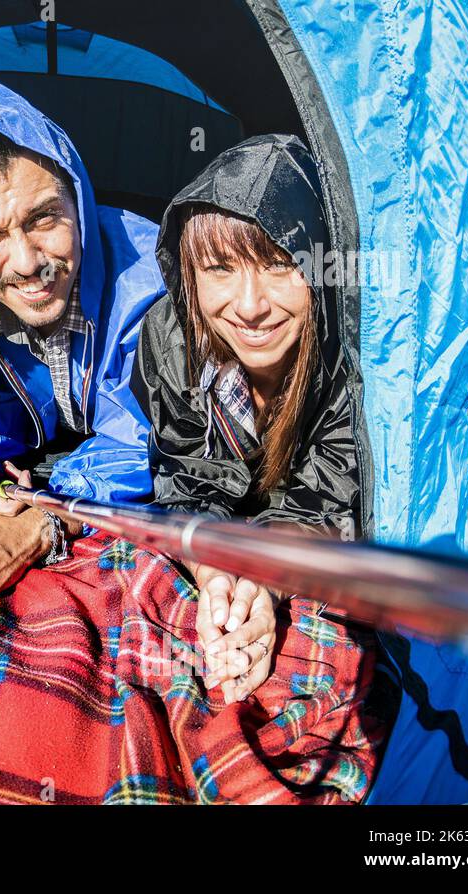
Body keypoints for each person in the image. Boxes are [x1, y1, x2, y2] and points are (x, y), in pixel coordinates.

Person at [0, 76, 164, 607]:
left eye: (44, 219)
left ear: (78, 199)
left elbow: (152, 435)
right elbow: (6, 390)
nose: (26, 262)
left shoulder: (152, 283)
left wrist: (43, 519)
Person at [132, 133, 360, 703]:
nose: (251, 305)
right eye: (219, 268)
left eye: (280, 265)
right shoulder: (170, 338)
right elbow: (187, 475)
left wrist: (264, 576)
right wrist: (213, 570)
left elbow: (329, 496)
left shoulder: (353, 362)